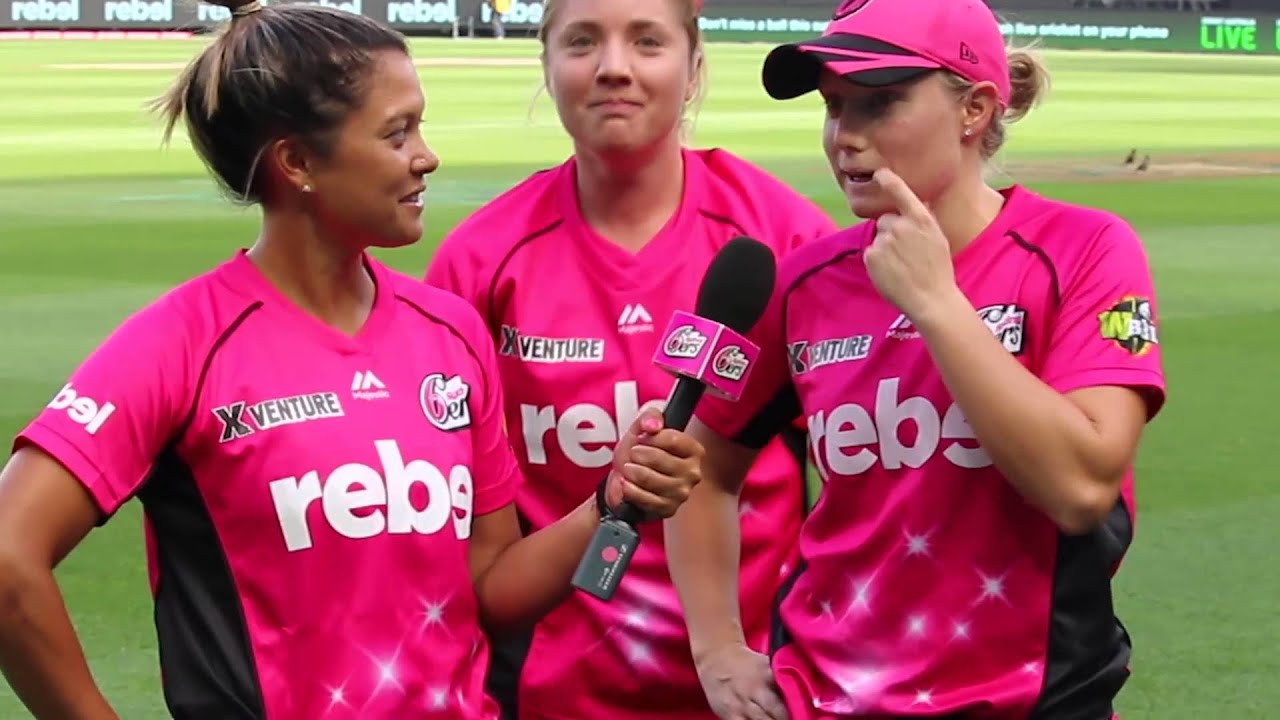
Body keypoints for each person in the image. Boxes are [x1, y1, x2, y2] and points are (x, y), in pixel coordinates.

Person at [0, 2, 705, 719]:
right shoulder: (183, 343)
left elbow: (490, 586)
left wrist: (607, 501)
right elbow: (7, 557)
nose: (426, 155)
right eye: (397, 133)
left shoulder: (451, 333)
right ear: (298, 162)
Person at [666, 0, 1167, 718]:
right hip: (824, 697)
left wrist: (936, 304)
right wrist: (715, 649)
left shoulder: (1083, 250)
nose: (845, 137)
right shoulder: (804, 282)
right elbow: (700, 464)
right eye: (835, 107)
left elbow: (1081, 487)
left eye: (878, 104)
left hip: (1038, 701)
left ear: (976, 109)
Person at [424, 0, 837, 717]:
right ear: (547, 66)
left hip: (760, 691)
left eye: (647, 41)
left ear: (694, 63)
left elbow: (857, 485)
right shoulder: (480, 261)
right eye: (582, 42)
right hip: (551, 693)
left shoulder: (785, 236)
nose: (614, 67)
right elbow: (446, 528)